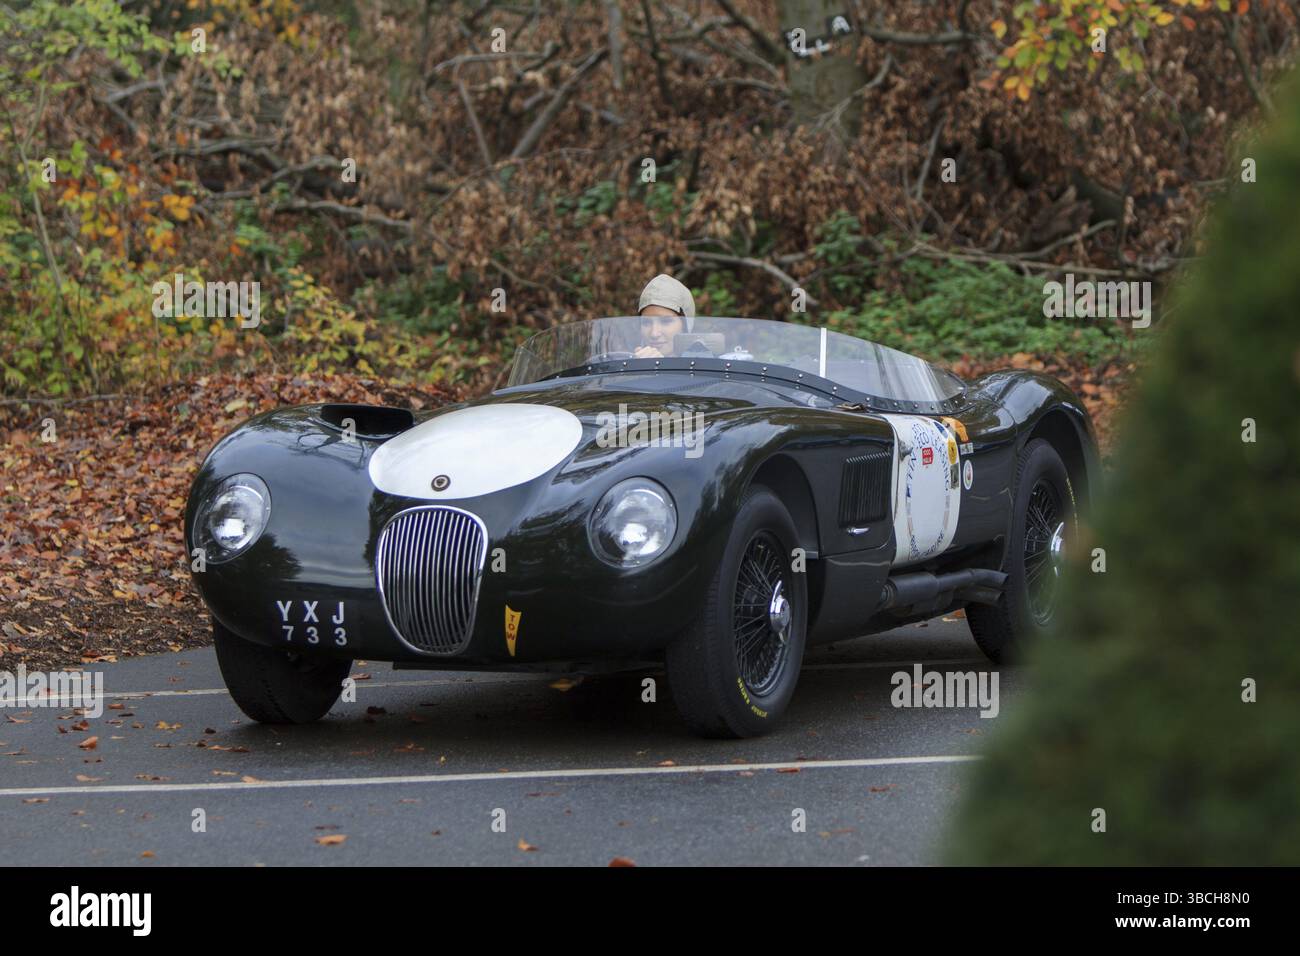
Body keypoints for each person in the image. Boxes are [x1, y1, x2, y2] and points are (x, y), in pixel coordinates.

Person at [633, 274, 695, 358]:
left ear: (685, 325)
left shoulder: (705, 367)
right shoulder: (626, 366)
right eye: (646, 323)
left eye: (665, 321)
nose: (654, 334)